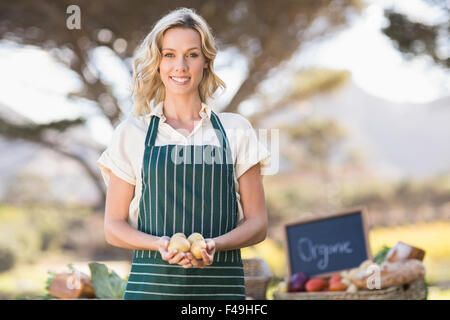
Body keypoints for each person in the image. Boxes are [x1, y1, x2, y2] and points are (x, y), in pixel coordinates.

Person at [97, 7, 271, 300]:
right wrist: (159, 244)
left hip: (221, 294)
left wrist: (214, 245)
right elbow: (113, 227)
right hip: (150, 291)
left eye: (192, 54)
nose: (181, 65)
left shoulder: (235, 130)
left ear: (206, 61)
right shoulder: (131, 133)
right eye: (169, 55)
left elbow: (258, 224)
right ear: (158, 62)